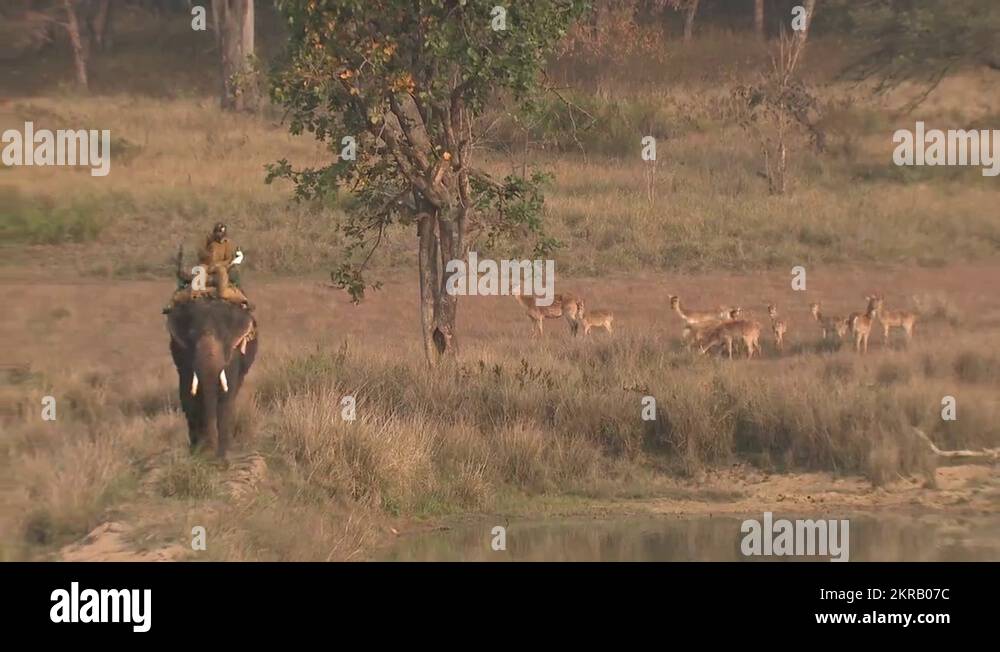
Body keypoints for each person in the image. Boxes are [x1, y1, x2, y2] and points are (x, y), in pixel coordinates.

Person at [163, 223, 251, 313]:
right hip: (206, 265)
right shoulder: (207, 241)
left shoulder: (227, 244)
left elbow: (228, 259)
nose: (219, 236)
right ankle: (174, 302)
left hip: (220, 267)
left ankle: (242, 301)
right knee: (194, 288)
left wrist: (220, 264)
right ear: (214, 233)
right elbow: (200, 253)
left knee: (223, 291)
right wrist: (208, 257)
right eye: (217, 233)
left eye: (221, 233)